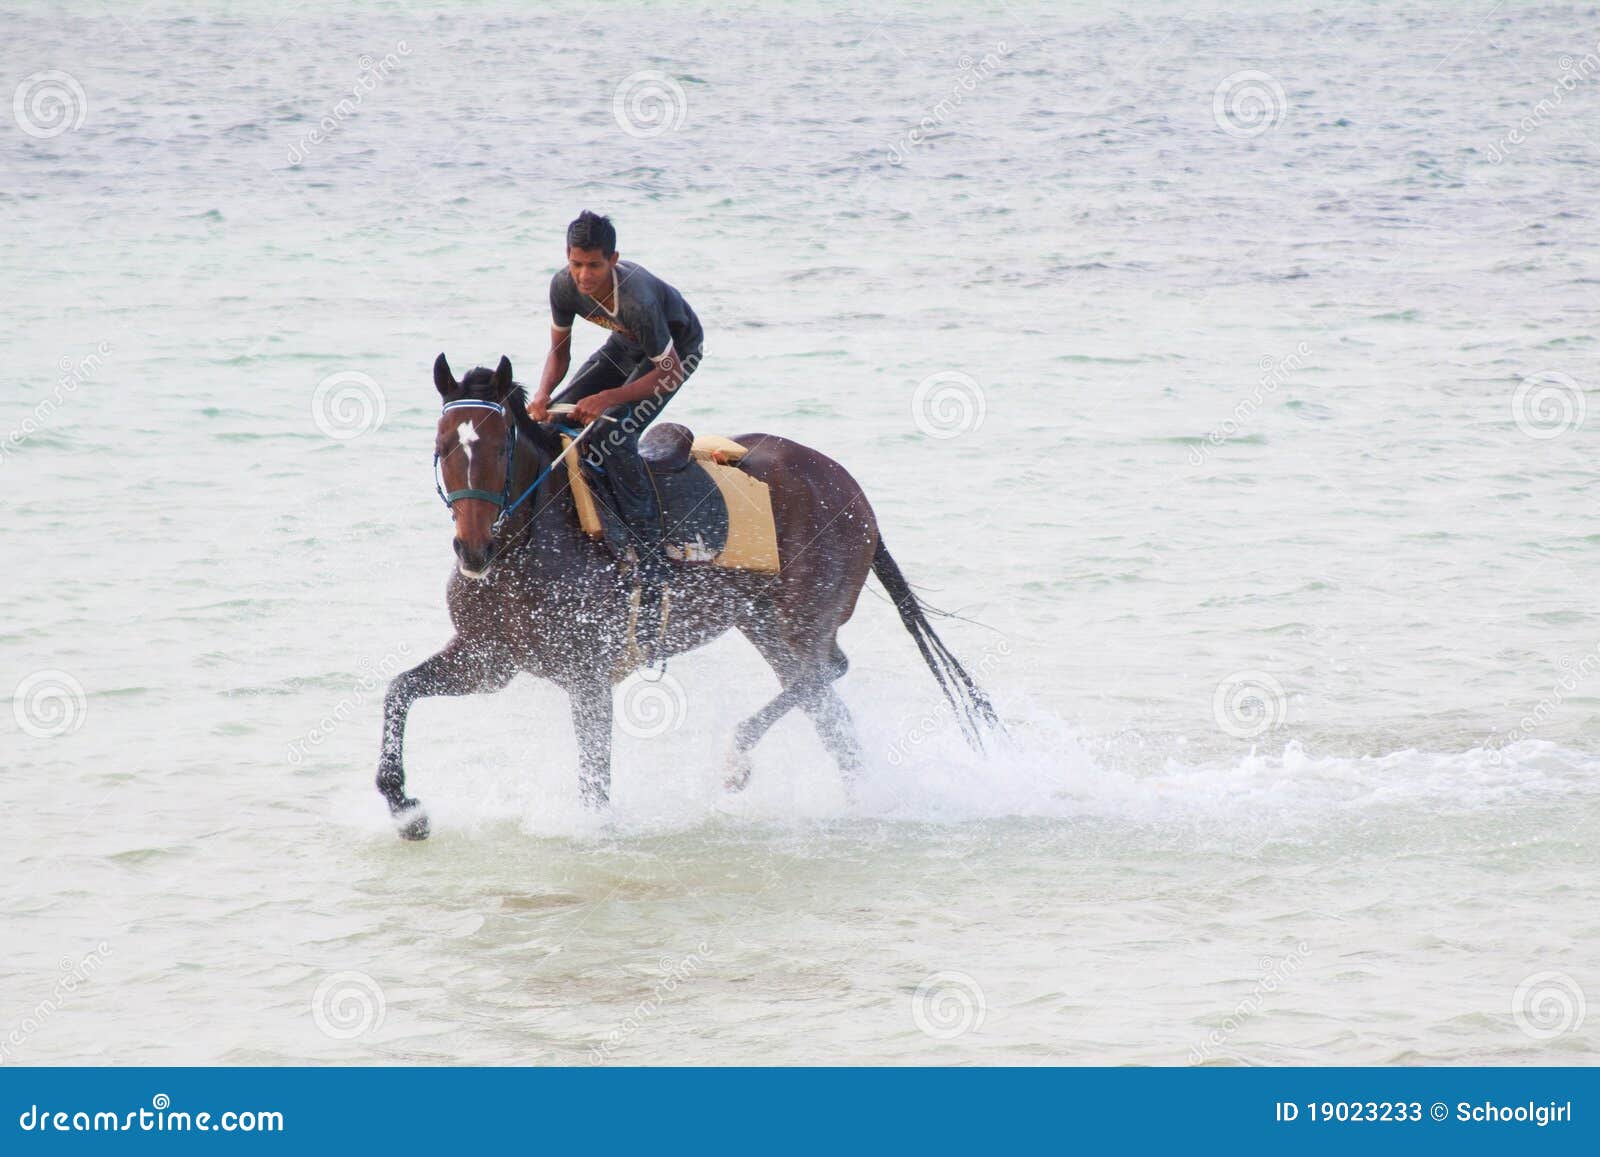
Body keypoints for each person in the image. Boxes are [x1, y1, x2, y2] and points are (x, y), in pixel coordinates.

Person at [528, 210, 704, 663]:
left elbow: (669, 372)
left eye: (594, 266)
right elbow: (559, 353)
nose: (583, 277)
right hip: (624, 346)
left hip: (674, 355)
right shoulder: (562, 287)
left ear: (614, 260)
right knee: (552, 428)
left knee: (614, 439)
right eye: (576, 265)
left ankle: (651, 567)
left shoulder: (639, 299)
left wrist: (608, 399)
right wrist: (543, 393)